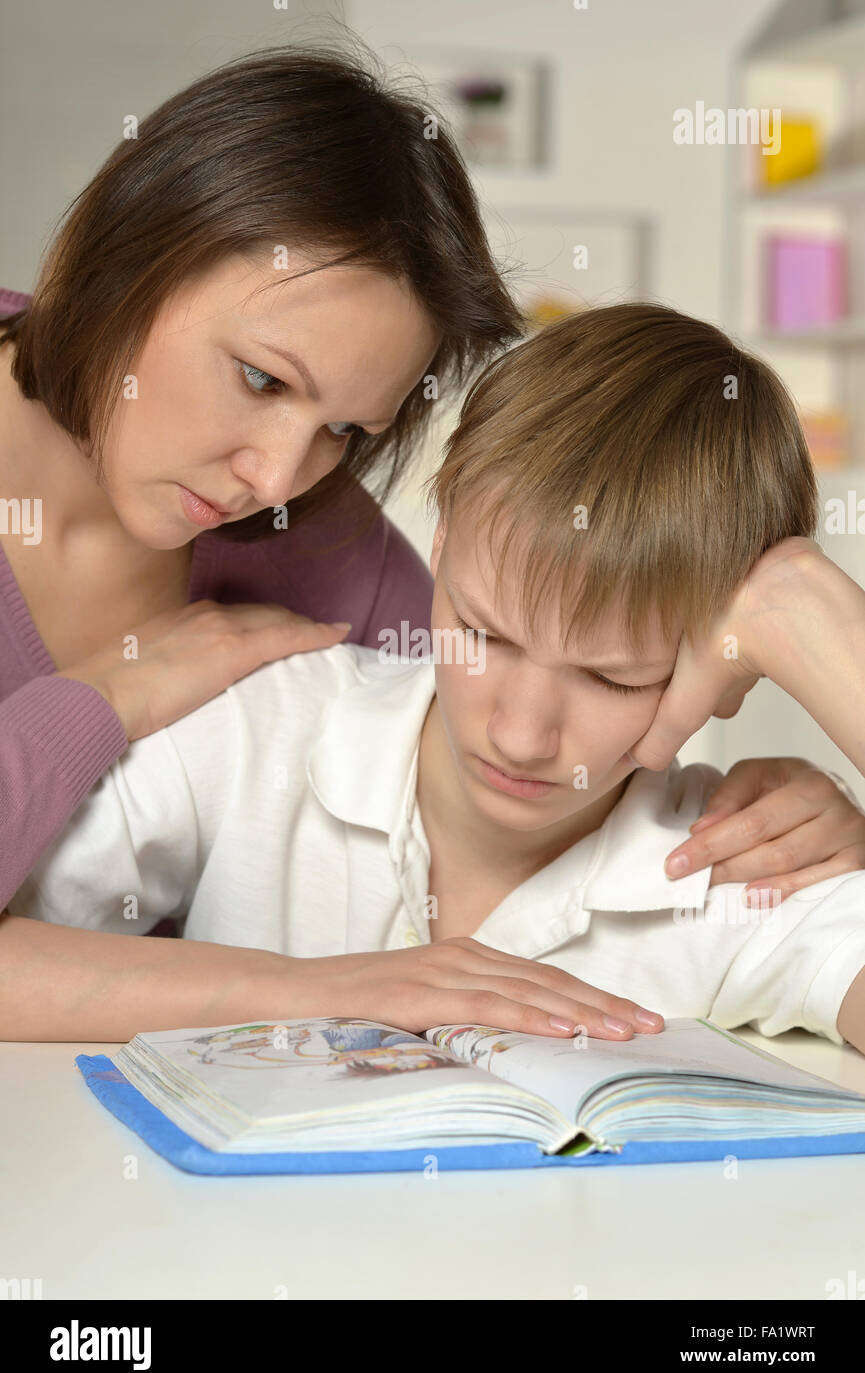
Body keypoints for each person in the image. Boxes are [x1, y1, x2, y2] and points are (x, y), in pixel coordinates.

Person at [7, 302, 865, 1054]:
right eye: (484, 634)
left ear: (731, 678)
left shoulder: (741, 870)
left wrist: (815, 621)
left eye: (612, 679)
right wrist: (326, 989)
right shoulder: (263, 721)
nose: (521, 734)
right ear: (441, 548)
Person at [0, 40, 522, 913]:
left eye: (346, 430)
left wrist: (745, 820)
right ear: (123, 255)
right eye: (262, 379)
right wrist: (109, 700)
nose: (278, 481)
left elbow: (514, 796)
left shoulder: (341, 566)